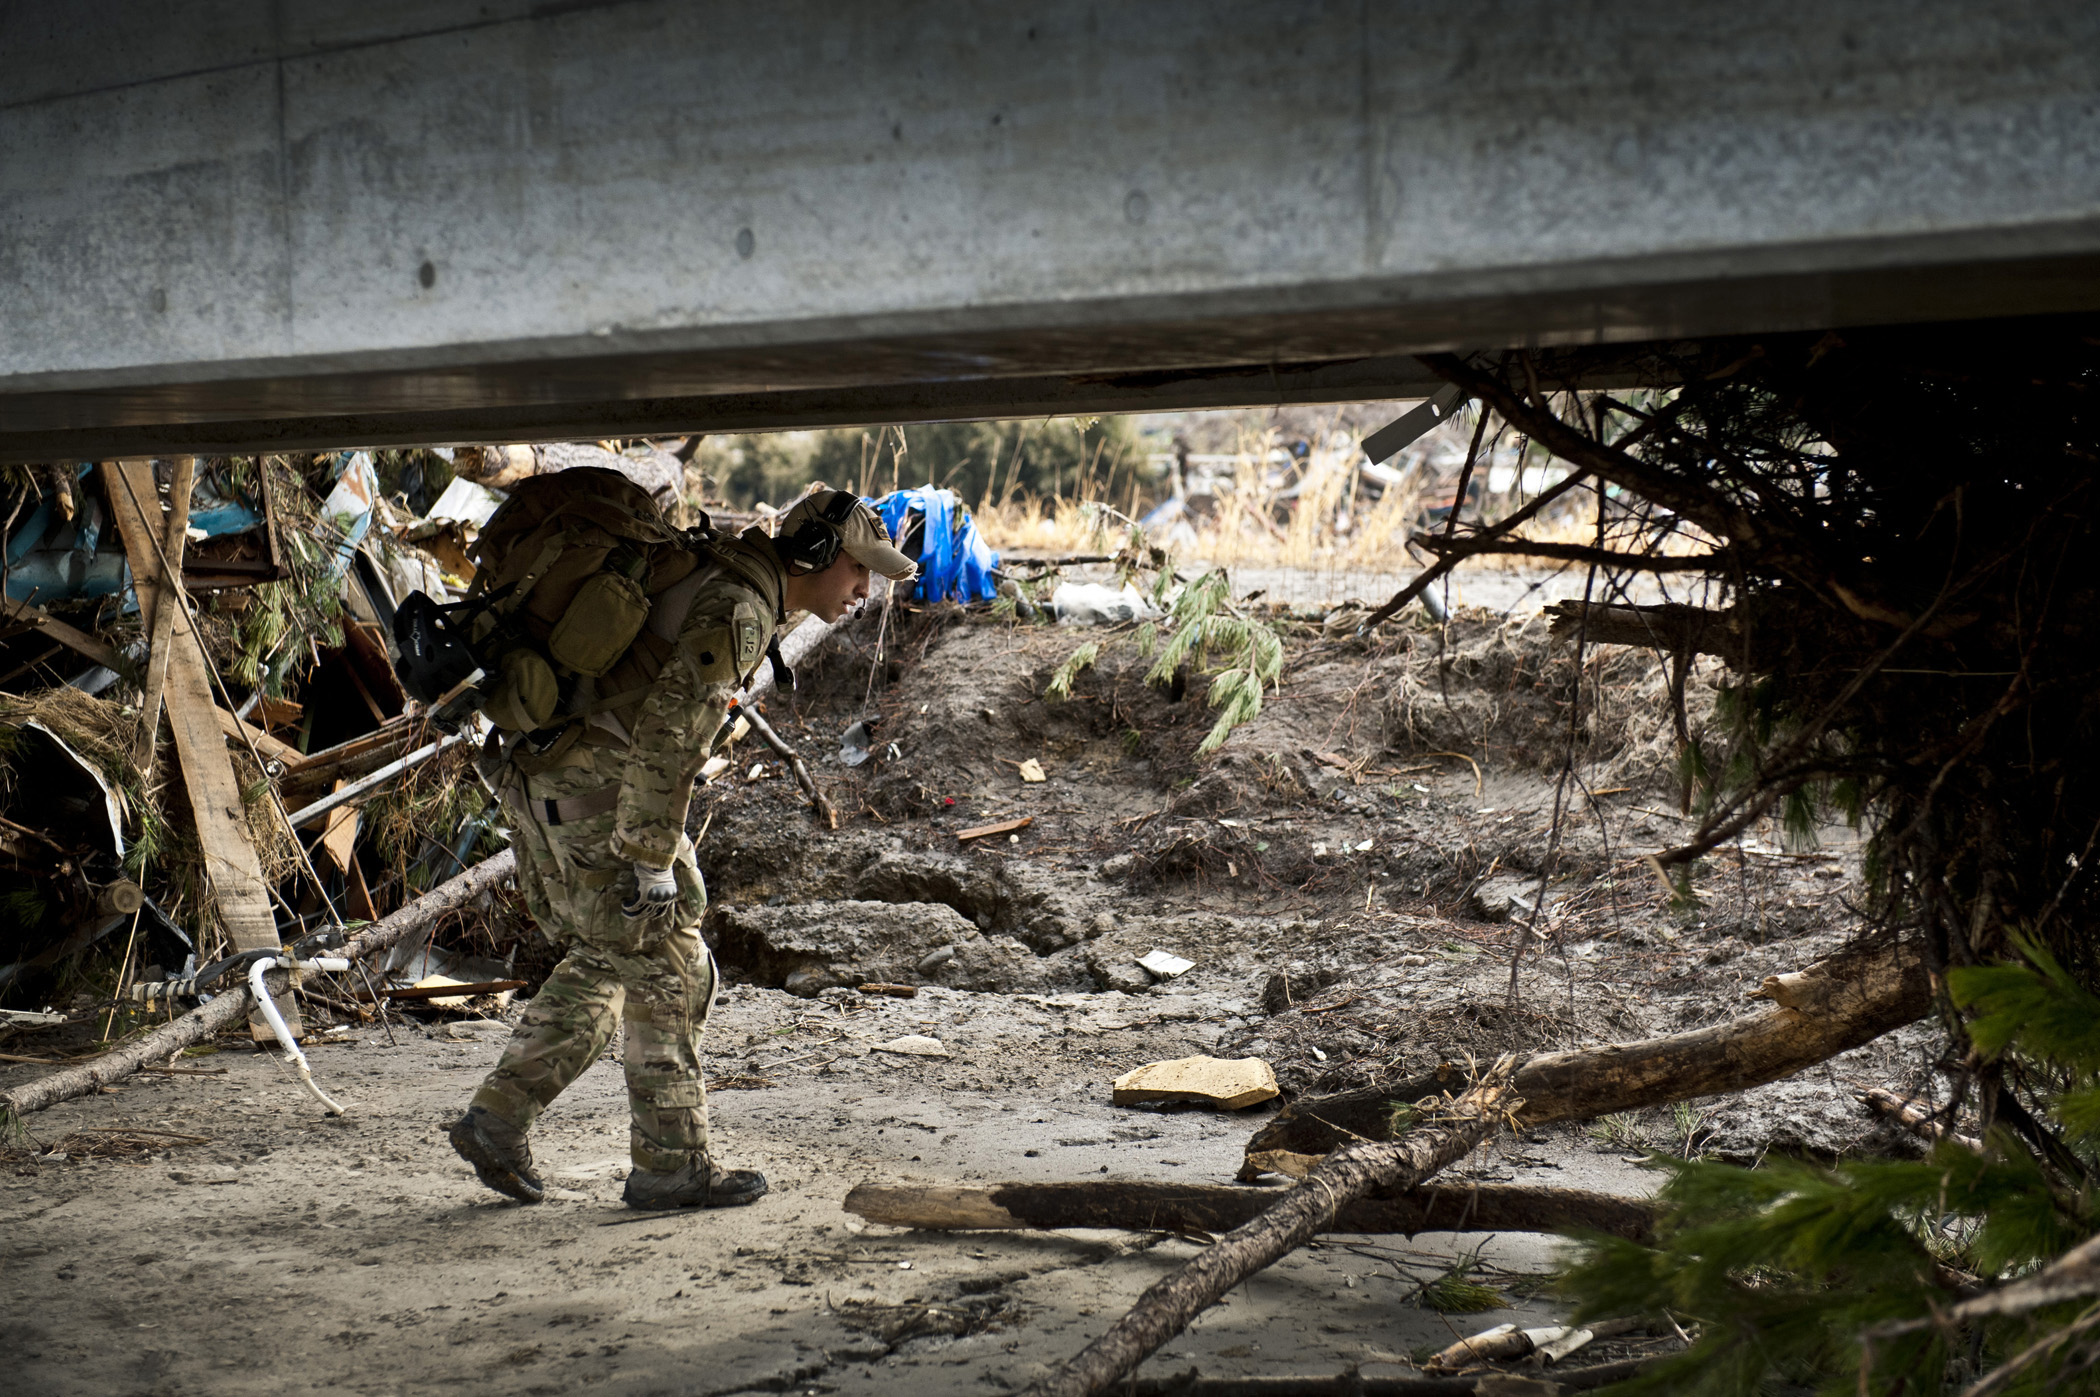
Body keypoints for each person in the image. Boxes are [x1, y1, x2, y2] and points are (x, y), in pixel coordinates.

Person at [447, 488, 918, 1209]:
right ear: (816, 553)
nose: (864, 590)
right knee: (674, 964)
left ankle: (498, 1118)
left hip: (549, 783)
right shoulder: (737, 607)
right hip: (598, 796)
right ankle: (671, 1165)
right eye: (859, 569)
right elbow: (672, 733)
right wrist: (650, 854)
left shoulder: (724, 576)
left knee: (611, 957)